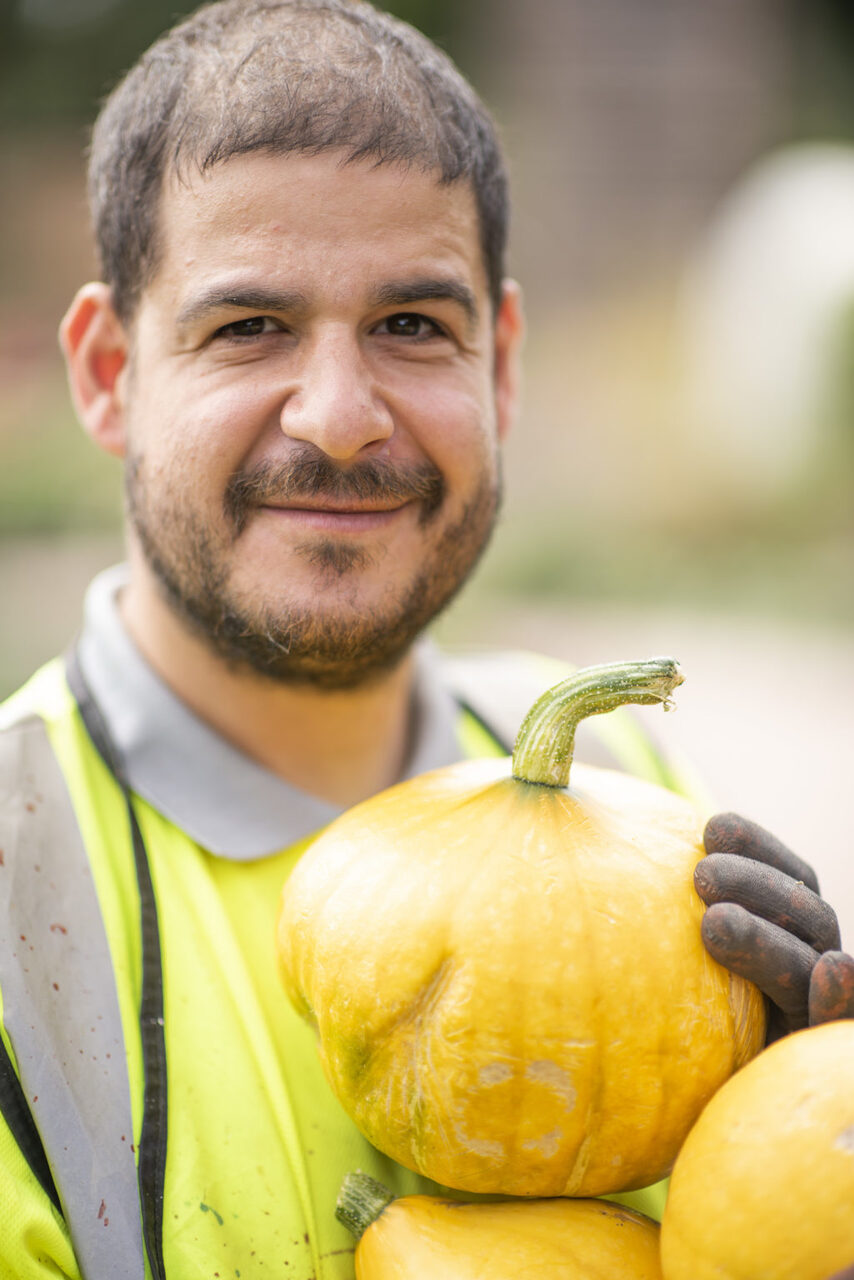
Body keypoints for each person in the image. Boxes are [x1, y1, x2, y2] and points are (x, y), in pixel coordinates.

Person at [0, 1, 852, 1276]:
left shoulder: (638, 788)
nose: (341, 416)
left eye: (410, 325)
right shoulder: (18, 891)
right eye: (249, 327)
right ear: (109, 372)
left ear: (499, 365)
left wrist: (808, 1156)